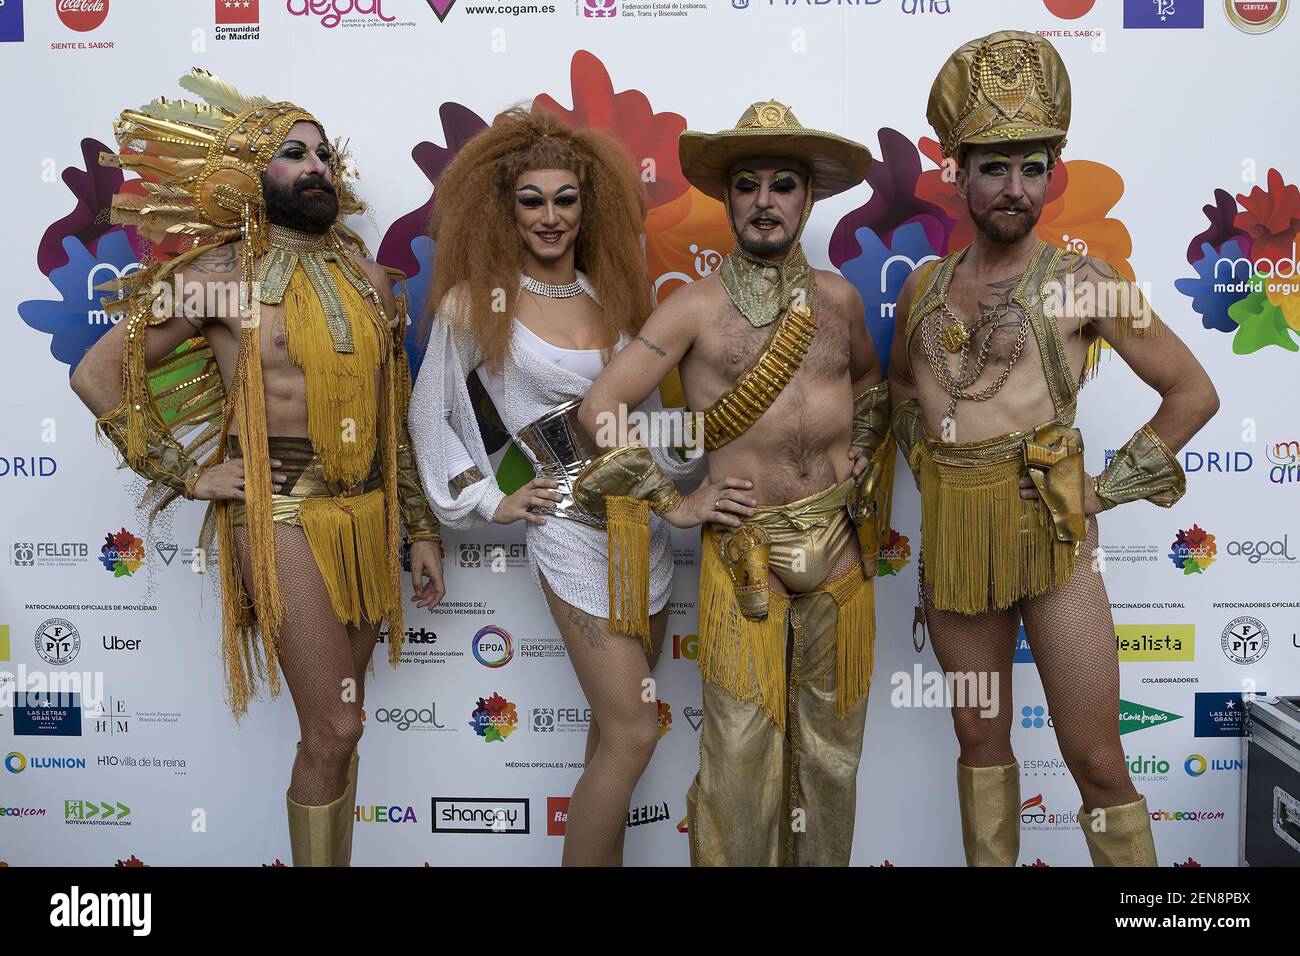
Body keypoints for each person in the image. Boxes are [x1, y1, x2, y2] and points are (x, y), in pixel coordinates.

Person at [70, 69, 444, 866]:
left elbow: (395, 423)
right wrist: (185, 471)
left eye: (323, 155)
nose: (316, 167)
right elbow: (98, 375)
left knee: (346, 725)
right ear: (248, 177)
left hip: (368, 516)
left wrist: (418, 527)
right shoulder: (217, 281)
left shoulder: (374, 282)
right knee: (335, 726)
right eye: (291, 153)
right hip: (279, 514)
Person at [889, 31, 1220, 866]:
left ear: (1050, 174)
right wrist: (931, 467)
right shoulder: (923, 287)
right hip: (958, 546)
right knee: (978, 736)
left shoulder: (1087, 280)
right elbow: (898, 391)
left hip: (1056, 541)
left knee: (1098, 758)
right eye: (994, 166)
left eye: (1033, 167)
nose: (1014, 187)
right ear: (956, 170)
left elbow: (1193, 392)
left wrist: (1101, 489)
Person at [574, 101, 890, 866]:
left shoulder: (840, 298)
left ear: (808, 199)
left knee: (832, 758)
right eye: (747, 185)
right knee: (738, 762)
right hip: (744, 550)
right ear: (728, 200)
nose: (765, 200)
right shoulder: (694, 307)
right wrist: (675, 502)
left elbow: (876, 390)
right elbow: (599, 409)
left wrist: (866, 454)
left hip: (839, 551)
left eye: (784, 184)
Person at [407, 107, 704, 866]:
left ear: (587, 205)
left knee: (612, 736)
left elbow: (654, 418)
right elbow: (429, 411)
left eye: (565, 198)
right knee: (637, 728)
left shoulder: (619, 297)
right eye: (531, 199)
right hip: (567, 526)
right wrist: (488, 497)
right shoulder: (476, 302)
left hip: (644, 528)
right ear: (505, 207)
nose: (549, 216)